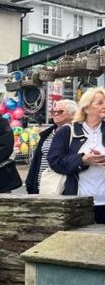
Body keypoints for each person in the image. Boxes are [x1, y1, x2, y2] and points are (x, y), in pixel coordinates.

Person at [47, 87, 105, 223]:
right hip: (78, 201)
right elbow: (55, 161)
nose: (104, 106)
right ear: (86, 108)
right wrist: (82, 160)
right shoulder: (67, 131)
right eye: (100, 102)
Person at [26, 99, 76, 194]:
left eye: (60, 111)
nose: (56, 114)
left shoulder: (76, 134)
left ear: (73, 114)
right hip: (43, 184)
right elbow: (37, 161)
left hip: (63, 185)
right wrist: (30, 182)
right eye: (54, 112)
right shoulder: (47, 134)